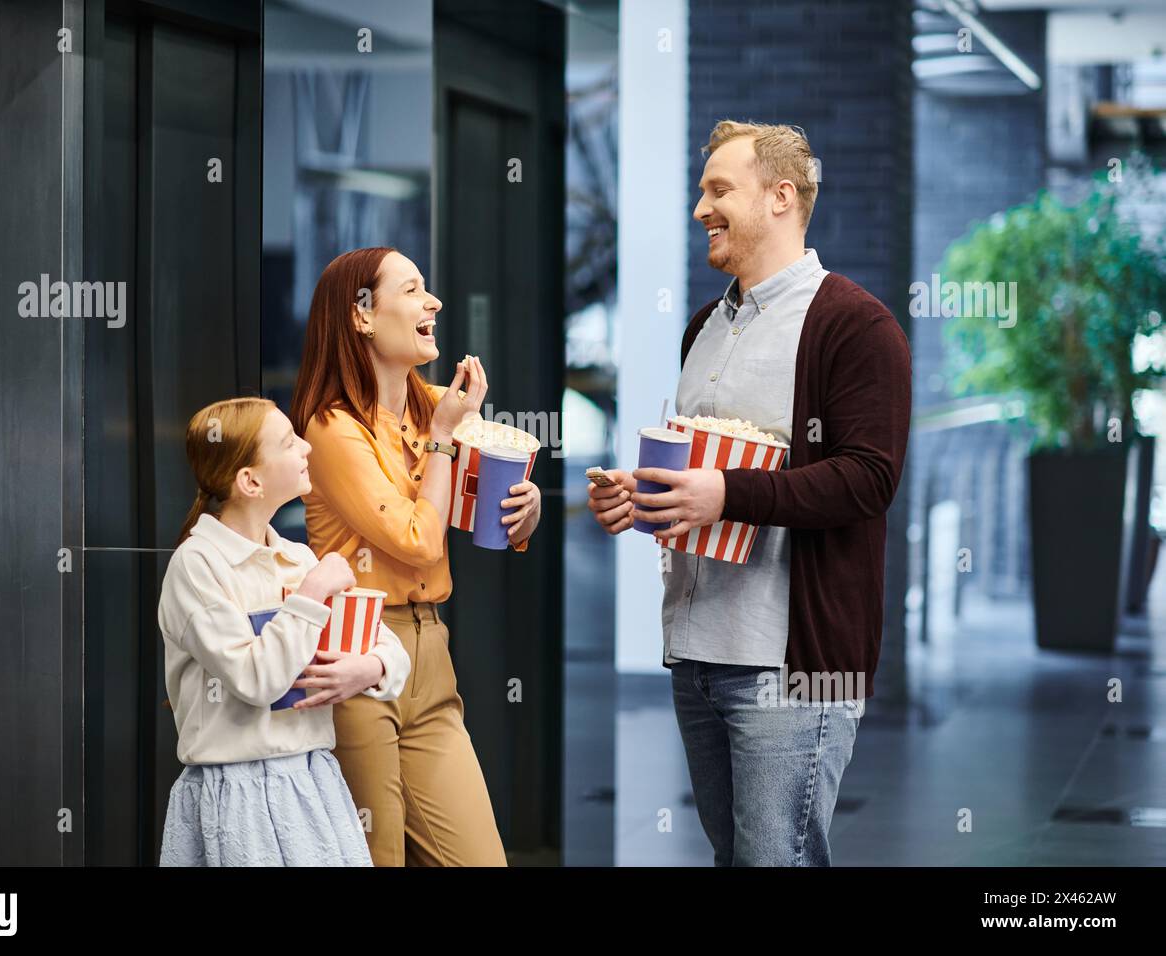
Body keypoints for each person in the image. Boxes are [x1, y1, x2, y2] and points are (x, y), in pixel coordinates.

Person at [588, 120, 911, 866]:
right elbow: (708, 473)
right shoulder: (706, 324)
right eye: (702, 191)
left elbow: (869, 478)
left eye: (718, 190)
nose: (700, 208)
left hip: (795, 660)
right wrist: (643, 496)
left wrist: (725, 493)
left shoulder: (856, 326)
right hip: (698, 649)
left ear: (780, 197)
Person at [290, 247, 542, 866]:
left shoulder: (433, 406)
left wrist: (521, 512)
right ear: (363, 316)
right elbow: (418, 539)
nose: (432, 302)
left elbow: (473, 515)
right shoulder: (332, 427)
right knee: (378, 857)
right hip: (358, 652)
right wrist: (444, 441)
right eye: (411, 290)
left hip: (431, 656)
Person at [157, 396, 411, 866]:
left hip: (314, 783)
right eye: (288, 442)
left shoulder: (297, 558)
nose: (307, 449)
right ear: (250, 481)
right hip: (236, 797)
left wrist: (368, 668)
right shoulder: (197, 565)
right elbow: (257, 681)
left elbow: (388, 648)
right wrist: (311, 595)